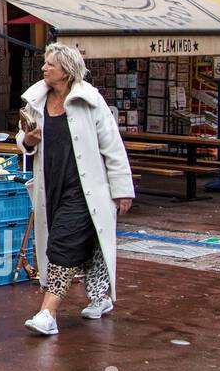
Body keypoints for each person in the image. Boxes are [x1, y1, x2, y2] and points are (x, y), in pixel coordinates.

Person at [17, 43, 134, 337]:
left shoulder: (90, 102)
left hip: (85, 190)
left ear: (67, 71)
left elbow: (113, 148)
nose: (44, 68)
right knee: (87, 245)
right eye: (45, 64)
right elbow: (23, 141)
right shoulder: (36, 101)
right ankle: (100, 296)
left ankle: (48, 313)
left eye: (50, 65)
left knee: (63, 246)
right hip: (51, 186)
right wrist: (28, 140)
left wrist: (123, 190)